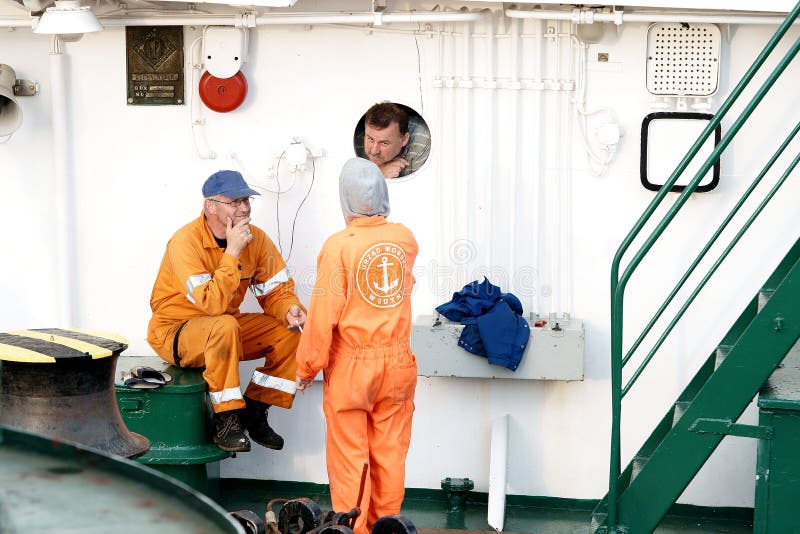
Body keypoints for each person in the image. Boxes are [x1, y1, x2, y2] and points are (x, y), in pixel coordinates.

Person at [295, 158, 419, 534]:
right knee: (390, 454)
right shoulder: (404, 239)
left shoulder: (338, 247)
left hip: (353, 366)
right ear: (382, 196)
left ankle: (352, 530)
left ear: (344, 199)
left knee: (352, 458)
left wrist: (306, 368)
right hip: (398, 363)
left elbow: (323, 315)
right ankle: (388, 527)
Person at [147, 170, 306, 453]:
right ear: (211, 206)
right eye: (234, 201)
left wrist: (290, 308)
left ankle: (255, 410)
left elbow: (276, 291)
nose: (244, 207)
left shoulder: (256, 240)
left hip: (223, 330)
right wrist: (231, 252)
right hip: (176, 332)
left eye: (246, 200)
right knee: (223, 324)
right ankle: (227, 419)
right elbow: (212, 304)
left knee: (289, 331)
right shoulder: (185, 242)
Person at [354, 101, 431, 179]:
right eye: (370, 139)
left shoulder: (422, 140)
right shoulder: (358, 140)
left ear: (404, 139)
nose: (374, 151)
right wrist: (379, 173)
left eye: (384, 143)